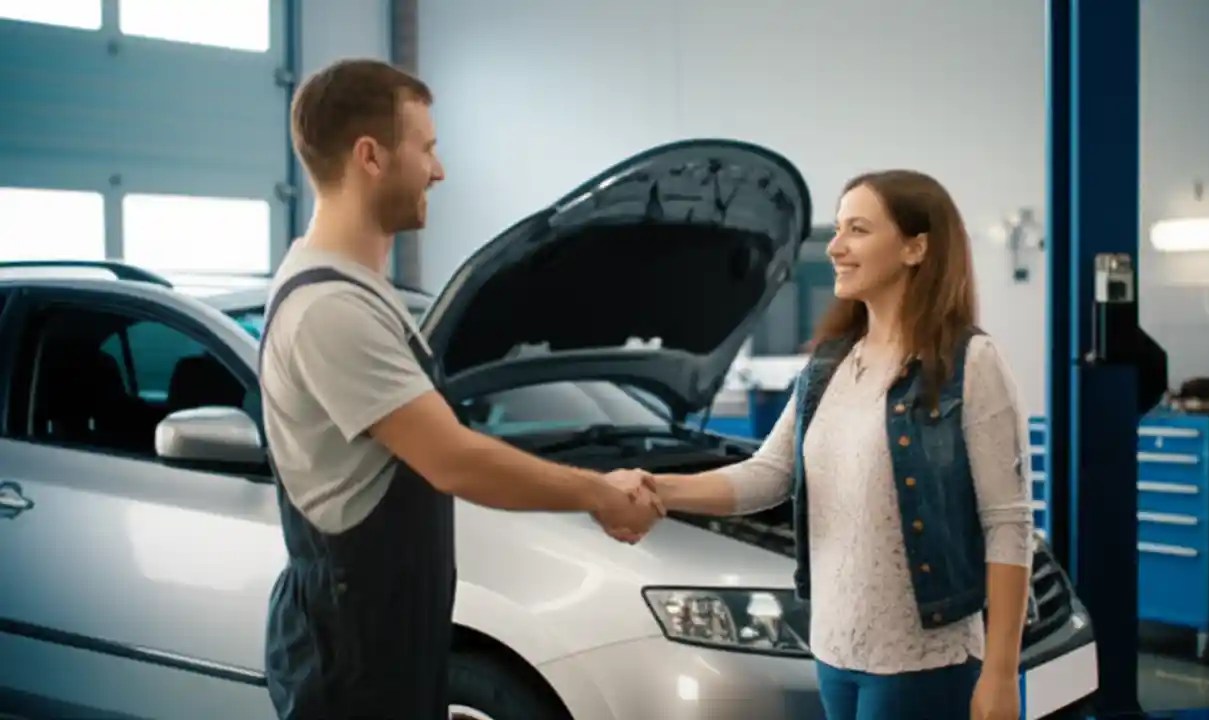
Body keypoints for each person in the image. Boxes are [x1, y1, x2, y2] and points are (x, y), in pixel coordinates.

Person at [258, 59, 663, 720]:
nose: (438, 171)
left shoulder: (358, 292)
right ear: (370, 156)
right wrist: (596, 492)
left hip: (381, 634)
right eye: (427, 148)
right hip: (351, 653)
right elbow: (452, 458)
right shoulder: (330, 309)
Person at [625, 170, 1033, 719]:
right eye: (838, 229)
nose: (836, 247)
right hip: (834, 649)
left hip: (921, 659)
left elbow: (1008, 523)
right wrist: (657, 489)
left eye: (858, 230)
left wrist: (1002, 672)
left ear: (916, 247)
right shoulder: (829, 364)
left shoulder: (970, 364)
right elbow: (768, 473)